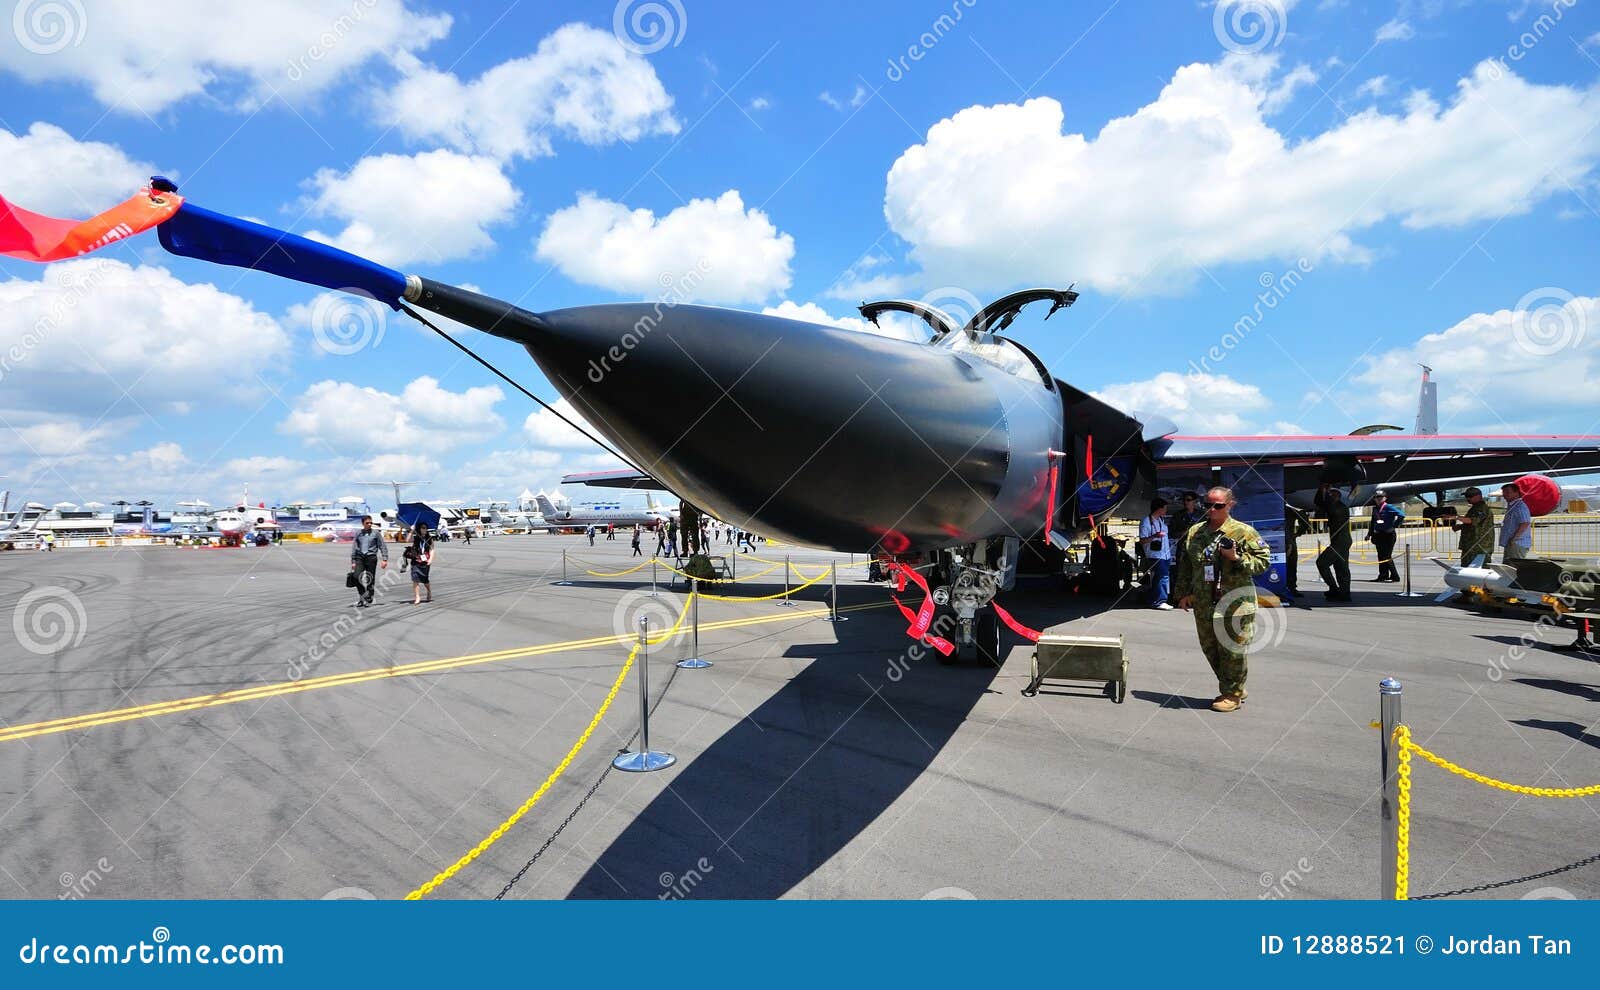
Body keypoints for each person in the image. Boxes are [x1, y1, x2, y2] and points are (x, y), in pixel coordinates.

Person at [1175, 486, 1271, 713]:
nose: (1212, 510)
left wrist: (1236, 558)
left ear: (1230, 505)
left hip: (1235, 604)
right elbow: (1187, 566)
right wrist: (1182, 594)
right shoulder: (1195, 532)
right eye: (1207, 505)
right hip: (1204, 602)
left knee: (1232, 651)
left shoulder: (1243, 532)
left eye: (1217, 506)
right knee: (1211, 649)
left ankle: (1232, 693)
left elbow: (1263, 563)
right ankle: (1234, 684)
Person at [1314, 483, 1352, 601]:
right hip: (1339, 541)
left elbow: (1326, 505)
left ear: (1338, 496)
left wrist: (1324, 491)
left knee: (1322, 563)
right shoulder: (1335, 505)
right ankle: (1343, 593)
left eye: (1332, 494)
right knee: (1340, 567)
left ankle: (1335, 590)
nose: (1330, 495)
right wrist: (1321, 490)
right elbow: (1319, 502)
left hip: (1341, 542)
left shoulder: (1340, 507)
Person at [1138, 498, 1174, 610]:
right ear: (1159, 509)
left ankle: (1152, 599)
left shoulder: (1161, 520)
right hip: (1155, 555)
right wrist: (1155, 536)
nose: (1166, 511)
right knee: (1163, 577)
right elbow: (1143, 540)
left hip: (1165, 554)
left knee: (1158, 578)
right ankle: (1159, 601)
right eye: (1165, 508)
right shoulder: (1146, 522)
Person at [349, 515, 388, 607]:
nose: (370, 524)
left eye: (371, 523)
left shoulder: (376, 533)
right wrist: (353, 561)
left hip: (371, 558)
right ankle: (363, 596)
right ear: (363, 523)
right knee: (356, 577)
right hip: (360, 557)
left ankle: (369, 597)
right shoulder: (358, 533)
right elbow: (354, 547)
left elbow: (382, 546)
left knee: (369, 579)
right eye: (367, 523)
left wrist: (384, 559)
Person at [1452, 487, 1494, 567]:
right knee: (1467, 568)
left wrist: (1456, 517)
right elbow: (1474, 524)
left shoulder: (1482, 508)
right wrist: (1460, 526)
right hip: (1471, 545)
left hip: (1479, 546)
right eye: (1467, 496)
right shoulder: (1475, 508)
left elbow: (1473, 520)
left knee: (1479, 569)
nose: (1467, 498)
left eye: (1470, 496)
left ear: (1478, 496)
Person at [1367, 493, 1403, 582]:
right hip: (1379, 535)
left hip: (1388, 535)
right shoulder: (1375, 509)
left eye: (1380, 497)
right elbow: (1373, 522)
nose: (1378, 499)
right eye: (1376, 498)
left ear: (1385, 498)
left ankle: (1395, 576)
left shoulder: (1389, 507)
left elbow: (1401, 515)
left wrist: (1394, 525)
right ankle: (1383, 575)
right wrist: (1369, 534)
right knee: (1380, 556)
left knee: (1386, 556)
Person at [1499, 482, 1533, 562]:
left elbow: (1525, 523)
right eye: (1503, 492)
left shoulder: (1519, 506)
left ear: (1516, 493)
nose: (1504, 494)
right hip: (1512, 543)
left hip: (1517, 544)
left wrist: (1514, 539)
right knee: (1508, 567)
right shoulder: (1512, 505)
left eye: (1507, 492)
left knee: (1513, 569)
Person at [407, 522, 435, 604]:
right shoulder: (416, 537)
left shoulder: (429, 538)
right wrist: (411, 531)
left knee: (425, 580)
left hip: (425, 561)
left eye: (426, 528)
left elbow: (432, 550)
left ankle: (429, 591)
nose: (424, 529)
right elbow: (407, 540)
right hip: (415, 560)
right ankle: (417, 596)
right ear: (419, 529)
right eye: (423, 528)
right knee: (415, 579)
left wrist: (430, 559)